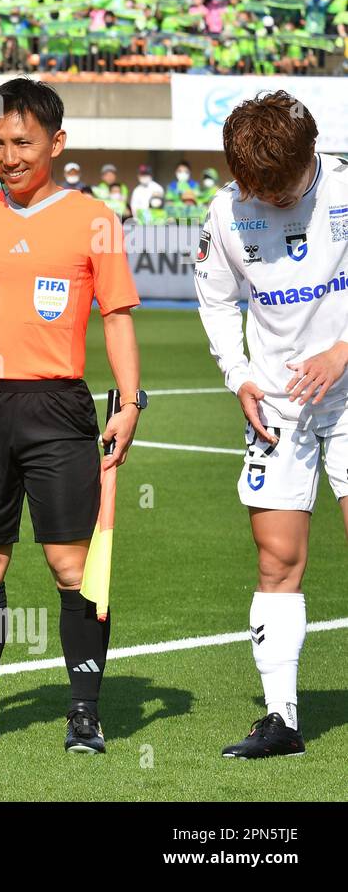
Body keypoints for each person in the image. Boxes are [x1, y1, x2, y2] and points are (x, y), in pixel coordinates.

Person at [0, 78, 144, 753]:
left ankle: (84, 710)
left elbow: (120, 319)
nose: (8, 156)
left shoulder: (93, 217)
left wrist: (130, 403)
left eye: (22, 141)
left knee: (71, 564)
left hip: (58, 404)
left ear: (56, 142)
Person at [193, 91, 348, 759]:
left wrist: (343, 350)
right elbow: (219, 300)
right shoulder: (228, 211)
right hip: (278, 402)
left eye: (281, 188)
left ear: (310, 153)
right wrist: (241, 376)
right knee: (277, 557)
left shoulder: (344, 189)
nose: (272, 201)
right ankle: (281, 718)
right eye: (258, 189)